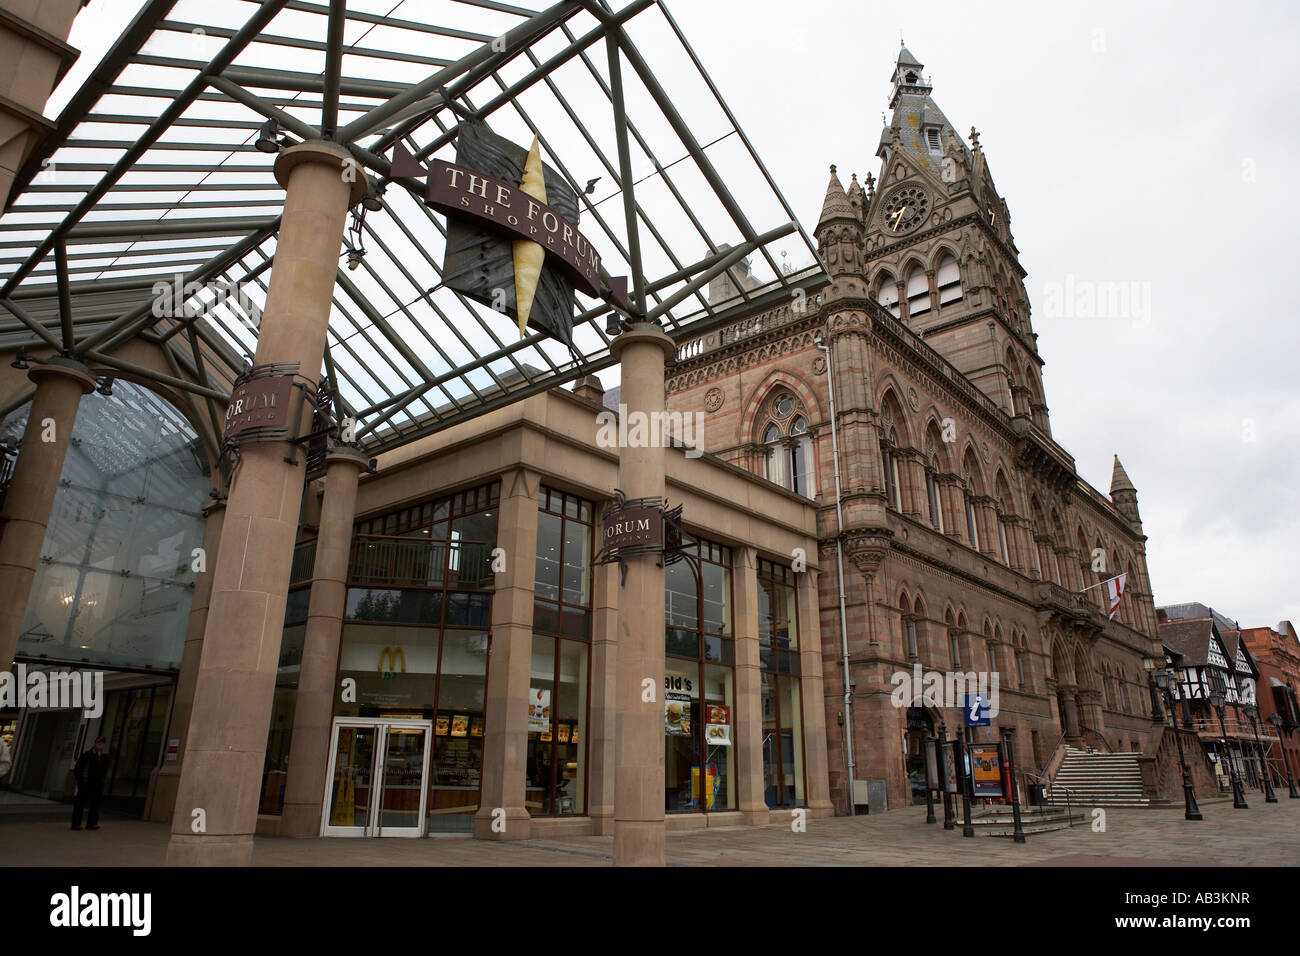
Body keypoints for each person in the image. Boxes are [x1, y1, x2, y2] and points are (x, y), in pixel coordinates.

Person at [71, 736, 110, 831]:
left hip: (97, 783)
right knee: (80, 803)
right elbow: (79, 769)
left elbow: (104, 770)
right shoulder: (87, 755)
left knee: (95, 804)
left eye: (101, 743)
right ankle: (76, 824)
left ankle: (92, 823)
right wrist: (82, 781)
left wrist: (102, 780)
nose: (100, 745)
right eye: (98, 743)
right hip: (86, 782)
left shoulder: (103, 756)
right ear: (95, 743)